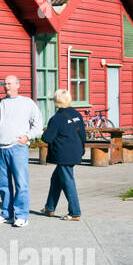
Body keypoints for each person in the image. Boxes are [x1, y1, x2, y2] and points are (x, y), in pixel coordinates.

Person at [0, 75, 43, 227]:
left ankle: (21, 215)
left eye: (10, 83)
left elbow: (38, 124)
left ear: (17, 85)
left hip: (17, 148)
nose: (6, 86)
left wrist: (28, 137)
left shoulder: (27, 103)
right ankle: (6, 214)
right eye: (5, 83)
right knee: (4, 184)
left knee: (21, 183)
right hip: (0, 148)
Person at [39, 89, 86, 221]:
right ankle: (49, 207)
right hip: (75, 151)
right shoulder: (77, 114)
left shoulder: (57, 118)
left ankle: (75, 212)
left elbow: (47, 138)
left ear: (56, 101)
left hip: (63, 154)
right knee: (56, 180)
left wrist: (42, 133)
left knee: (68, 182)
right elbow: (83, 134)